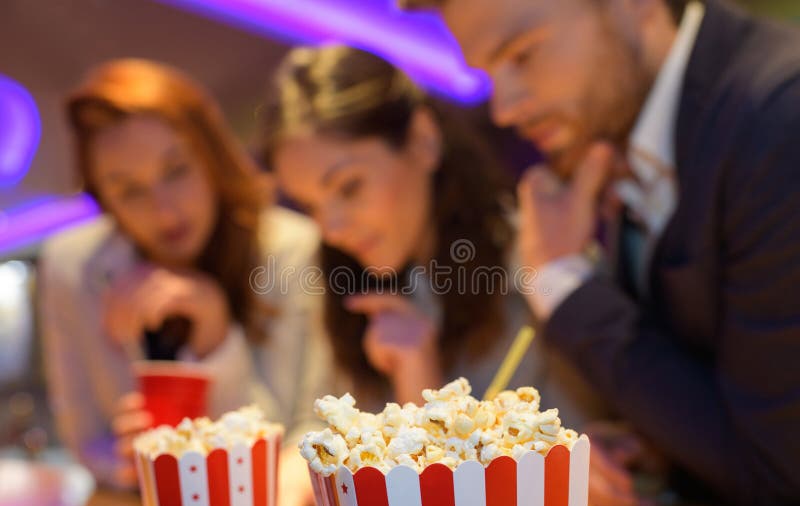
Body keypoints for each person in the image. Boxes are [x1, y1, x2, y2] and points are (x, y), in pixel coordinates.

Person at [400, 0, 800, 506]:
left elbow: (777, 475)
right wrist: (650, 449)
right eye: (488, 73)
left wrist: (560, 282)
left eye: (521, 55)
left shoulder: (777, 120)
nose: (504, 109)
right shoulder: (623, 139)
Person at [39, 59, 330, 506]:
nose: (164, 211)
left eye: (176, 171)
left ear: (211, 157)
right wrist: (127, 461)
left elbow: (309, 435)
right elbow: (84, 438)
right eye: (129, 190)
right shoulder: (72, 267)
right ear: (103, 198)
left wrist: (215, 339)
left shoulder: (291, 250)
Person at [259, 45, 606, 425]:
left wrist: (417, 376)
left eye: (349, 188)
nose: (332, 229)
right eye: (310, 206)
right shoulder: (352, 294)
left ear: (424, 139)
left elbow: (621, 444)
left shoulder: (537, 258)